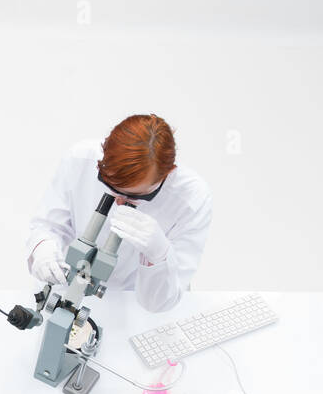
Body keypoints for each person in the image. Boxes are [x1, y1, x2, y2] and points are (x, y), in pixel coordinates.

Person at [26, 114, 212, 312]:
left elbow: (160, 302)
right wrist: (43, 250)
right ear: (103, 154)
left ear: (167, 175)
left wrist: (158, 255)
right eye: (110, 188)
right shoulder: (80, 159)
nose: (119, 201)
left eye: (137, 196)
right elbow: (48, 225)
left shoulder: (192, 198)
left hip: (133, 304)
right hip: (66, 289)